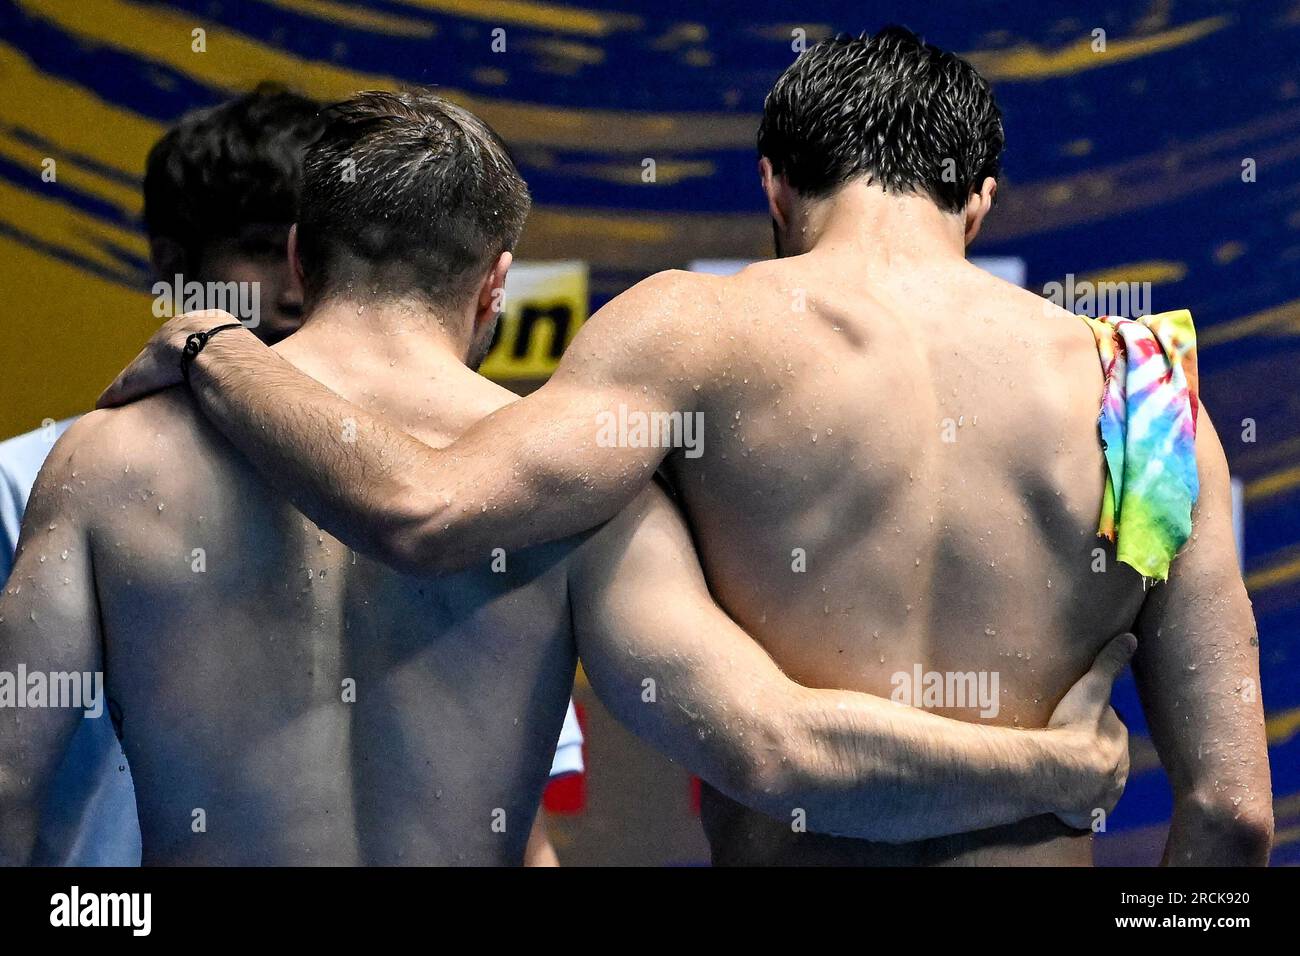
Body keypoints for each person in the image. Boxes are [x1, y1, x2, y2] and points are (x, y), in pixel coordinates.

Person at [103, 29, 1273, 866]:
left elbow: (418, 507)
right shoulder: (1146, 393)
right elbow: (1230, 811)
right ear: (978, 200)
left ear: (774, 183)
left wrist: (215, 342)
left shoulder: (691, 330)